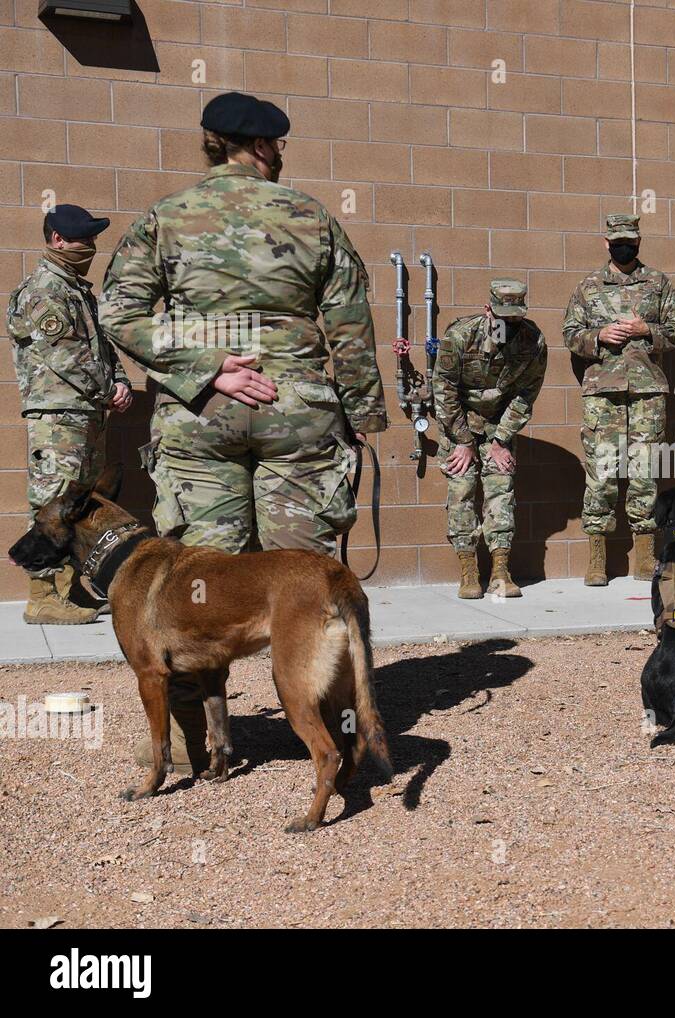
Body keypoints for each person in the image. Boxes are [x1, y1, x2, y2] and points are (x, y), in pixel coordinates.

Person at [100, 91, 387, 774]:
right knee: (310, 582)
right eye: (278, 147)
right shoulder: (311, 216)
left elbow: (119, 313)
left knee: (197, 579)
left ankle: (203, 750)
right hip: (297, 407)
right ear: (261, 147)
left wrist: (206, 368)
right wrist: (364, 416)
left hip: (202, 416)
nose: (280, 157)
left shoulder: (166, 217)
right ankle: (345, 740)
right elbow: (350, 325)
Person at [7, 204, 133, 624]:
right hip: (58, 416)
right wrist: (104, 387)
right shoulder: (43, 290)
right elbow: (63, 354)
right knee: (51, 500)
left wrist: (120, 383)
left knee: (80, 505)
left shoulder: (79, 291)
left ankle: (73, 588)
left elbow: (103, 350)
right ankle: (44, 595)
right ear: (57, 239)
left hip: (86, 414)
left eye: (94, 239)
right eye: (83, 239)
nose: (90, 247)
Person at [562, 213, 675, 585]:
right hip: (603, 394)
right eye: (617, 240)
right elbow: (570, 334)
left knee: (646, 472)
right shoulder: (588, 287)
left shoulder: (659, 283)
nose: (623, 246)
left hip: (648, 392)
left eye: (630, 240)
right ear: (606, 243)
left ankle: (646, 555)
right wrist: (599, 336)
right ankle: (597, 558)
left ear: (639, 242)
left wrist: (647, 329)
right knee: (601, 473)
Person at [433, 278, 547, 599]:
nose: (509, 326)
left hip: (499, 424)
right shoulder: (459, 337)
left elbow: (526, 394)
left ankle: (500, 570)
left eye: (515, 319)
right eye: (502, 318)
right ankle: (469, 570)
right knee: (462, 488)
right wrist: (463, 441)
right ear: (487, 311)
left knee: (501, 488)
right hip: (460, 425)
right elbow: (443, 390)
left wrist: (501, 439)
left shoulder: (533, 342)